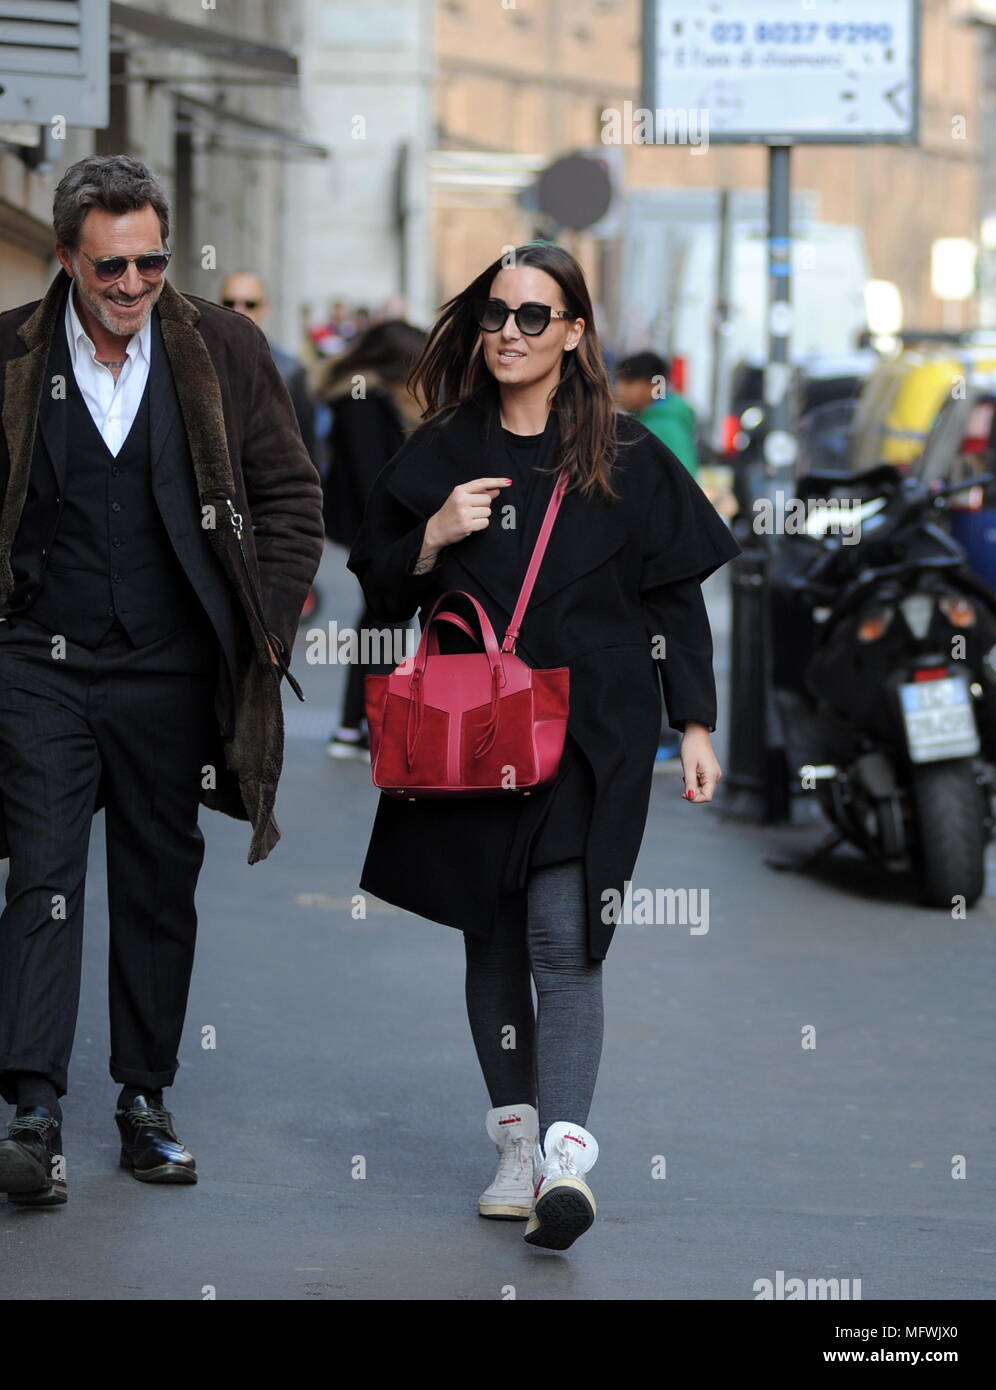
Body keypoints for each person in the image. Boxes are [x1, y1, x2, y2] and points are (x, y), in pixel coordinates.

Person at [0, 155, 323, 1207]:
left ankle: (145, 1100)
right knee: (44, 878)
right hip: (38, 667)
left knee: (156, 885)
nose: (133, 284)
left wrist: (259, 635)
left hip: (171, 669)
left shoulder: (223, 349)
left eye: (151, 262)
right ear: (65, 256)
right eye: (110, 267)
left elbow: (289, 500)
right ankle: (33, 1113)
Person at [347, 243, 740, 1250]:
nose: (509, 333)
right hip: (476, 727)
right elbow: (381, 585)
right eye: (495, 315)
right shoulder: (442, 450)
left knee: (566, 941)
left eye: (533, 316)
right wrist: (432, 534)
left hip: (594, 730)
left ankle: (567, 1157)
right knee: (492, 934)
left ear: (573, 332)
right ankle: (514, 1144)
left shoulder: (630, 457)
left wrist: (693, 720)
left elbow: (673, 597)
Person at [317, 320, 428, 759]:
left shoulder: (362, 395)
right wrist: (390, 531)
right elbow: (370, 476)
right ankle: (363, 722)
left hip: (371, 524)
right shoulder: (361, 400)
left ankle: (354, 724)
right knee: (384, 620)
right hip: (372, 526)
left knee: (379, 620)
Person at [614, 350, 704, 760]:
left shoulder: (660, 427)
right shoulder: (668, 417)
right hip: (661, 554)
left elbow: (672, 491)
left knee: (659, 640)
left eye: (624, 381)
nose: (618, 390)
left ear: (647, 384)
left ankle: (667, 734)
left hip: (657, 558)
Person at [219, 269, 321, 471]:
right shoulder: (199, 360)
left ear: (264, 308)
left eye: (249, 304)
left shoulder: (290, 370)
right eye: (229, 303)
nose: (238, 311)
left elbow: (307, 450)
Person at [613, 350, 700, 477]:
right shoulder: (648, 420)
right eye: (618, 381)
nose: (619, 389)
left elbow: (685, 479)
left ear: (654, 385)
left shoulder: (667, 427)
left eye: (628, 383)